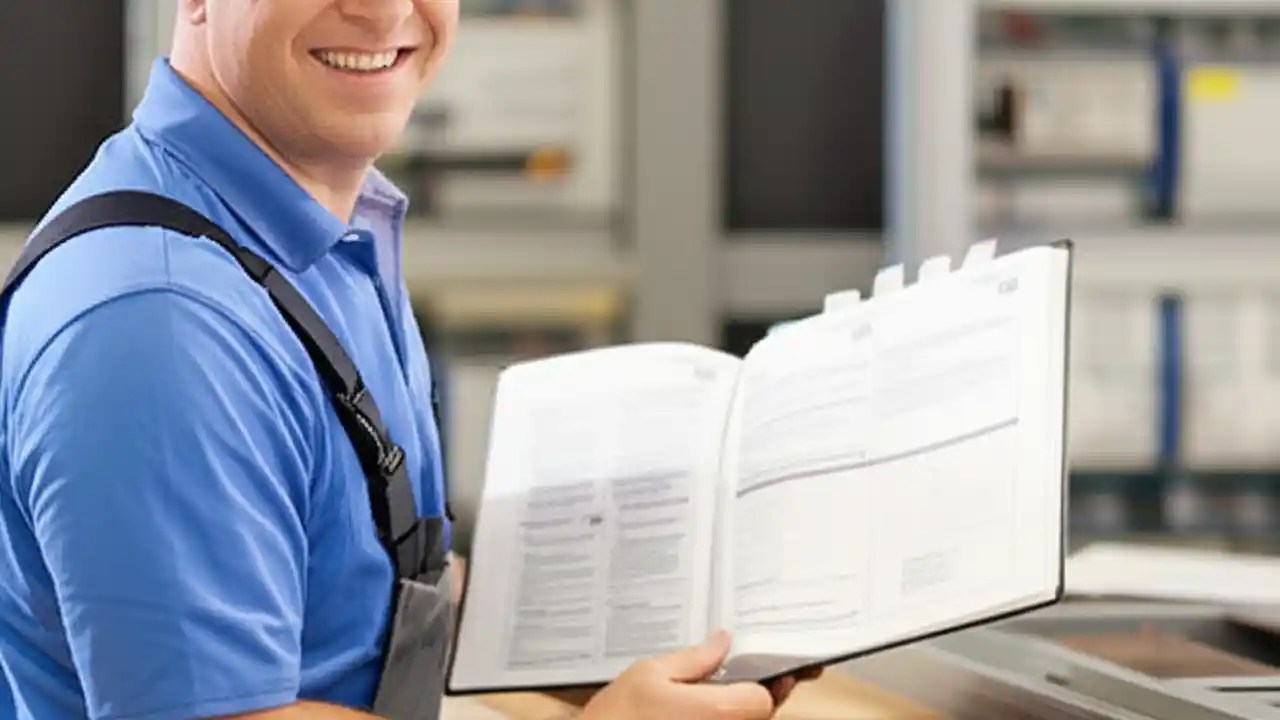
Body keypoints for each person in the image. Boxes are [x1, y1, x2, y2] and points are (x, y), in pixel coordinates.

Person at [0, 2, 815, 719]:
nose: (386, 11)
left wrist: (604, 641)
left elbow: (364, 582)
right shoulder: (162, 324)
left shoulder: (309, 231)